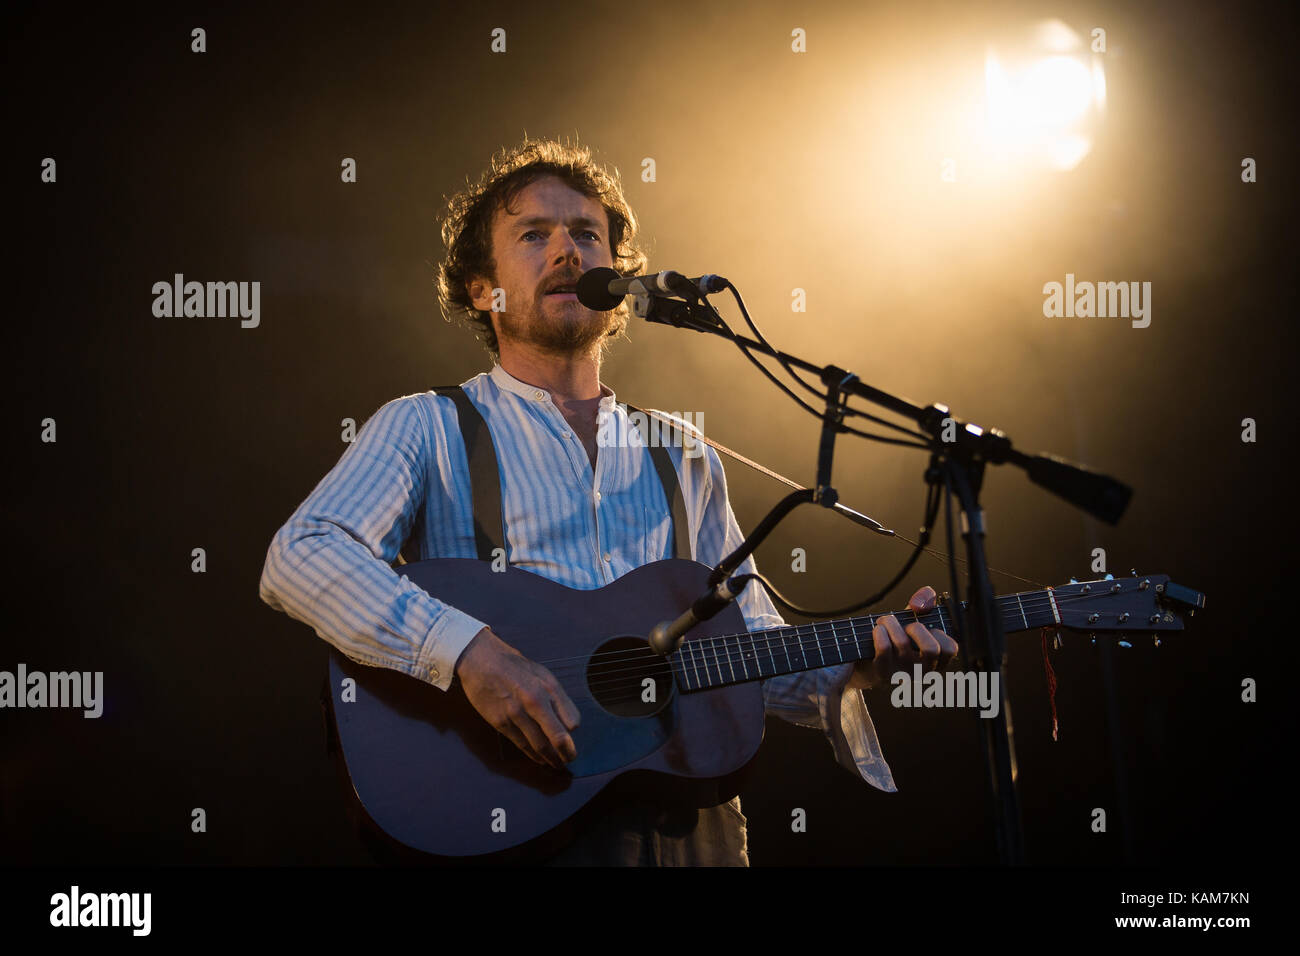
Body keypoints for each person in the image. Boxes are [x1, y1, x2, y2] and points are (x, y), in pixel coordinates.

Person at [258, 138, 957, 865]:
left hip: (693, 828)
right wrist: (466, 652)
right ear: (479, 288)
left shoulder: (683, 451)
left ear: (618, 281)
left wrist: (861, 662)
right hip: (509, 816)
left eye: (587, 235)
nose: (567, 252)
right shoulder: (426, 425)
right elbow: (302, 555)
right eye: (535, 235)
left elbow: (747, 644)